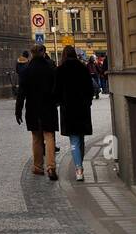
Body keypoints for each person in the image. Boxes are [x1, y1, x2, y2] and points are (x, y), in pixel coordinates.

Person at [15, 43, 59, 180]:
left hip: (33, 108)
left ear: (32, 54)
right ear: (43, 53)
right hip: (48, 107)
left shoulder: (27, 70)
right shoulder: (51, 67)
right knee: (49, 135)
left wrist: (18, 110)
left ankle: (38, 167)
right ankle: (51, 167)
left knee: (36, 138)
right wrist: (56, 101)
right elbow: (56, 88)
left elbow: (21, 92)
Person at [54, 45, 94, 181]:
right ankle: (80, 165)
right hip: (82, 109)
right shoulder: (83, 68)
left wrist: (60, 102)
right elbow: (90, 89)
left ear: (64, 55)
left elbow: (56, 91)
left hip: (68, 110)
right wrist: (88, 102)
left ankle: (78, 169)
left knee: (74, 140)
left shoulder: (60, 70)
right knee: (81, 138)